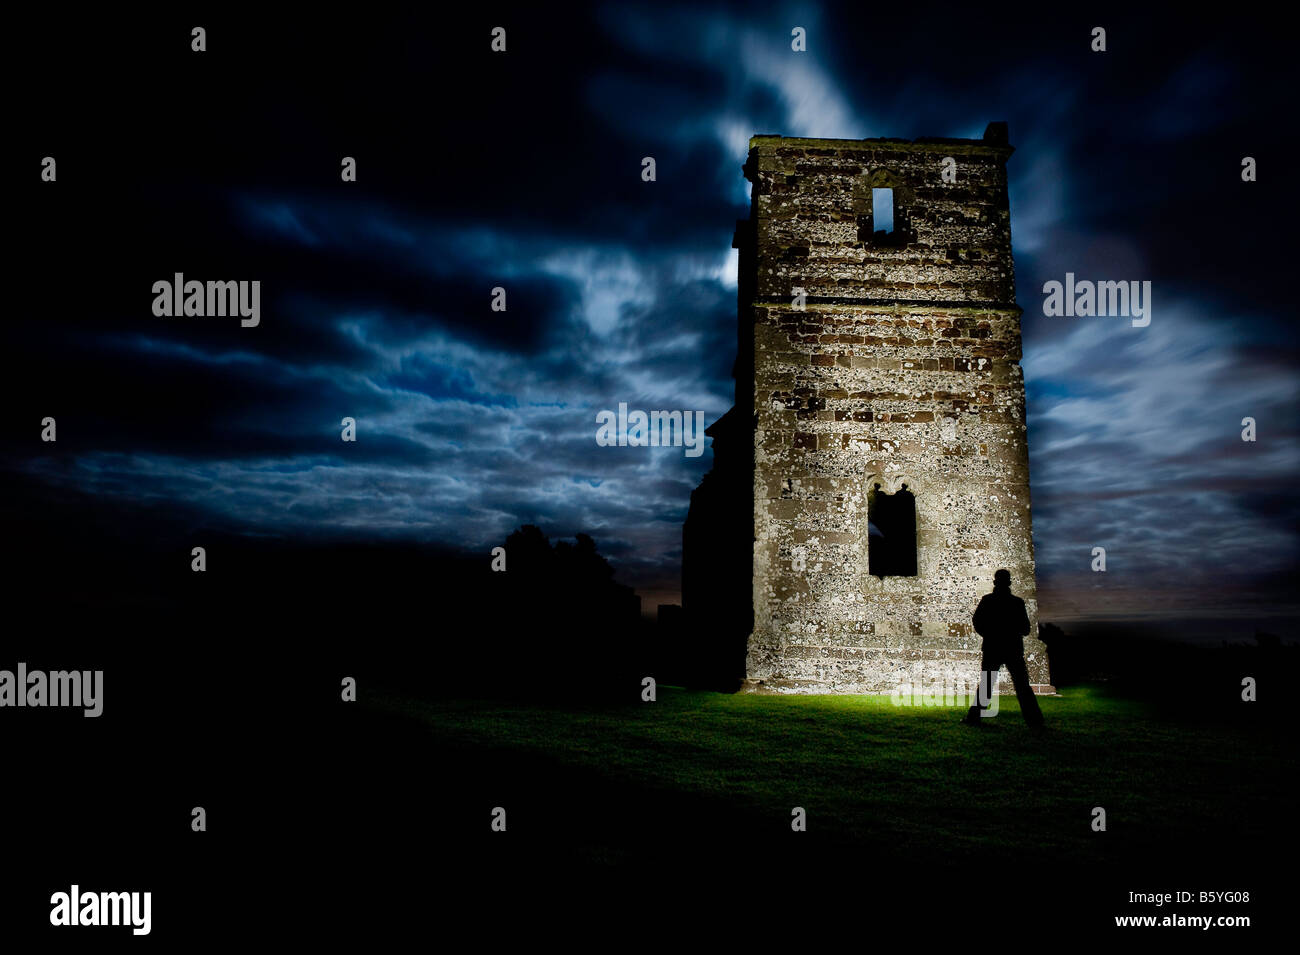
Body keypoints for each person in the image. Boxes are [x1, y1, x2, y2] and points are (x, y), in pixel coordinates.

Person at [963, 569, 1044, 727]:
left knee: (986, 684)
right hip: (1013, 648)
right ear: (1009, 583)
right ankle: (1035, 721)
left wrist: (989, 634)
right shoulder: (1017, 603)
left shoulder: (987, 600)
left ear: (995, 582)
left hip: (992, 647)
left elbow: (977, 622)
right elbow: (1026, 629)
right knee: (1022, 686)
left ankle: (974, 717)